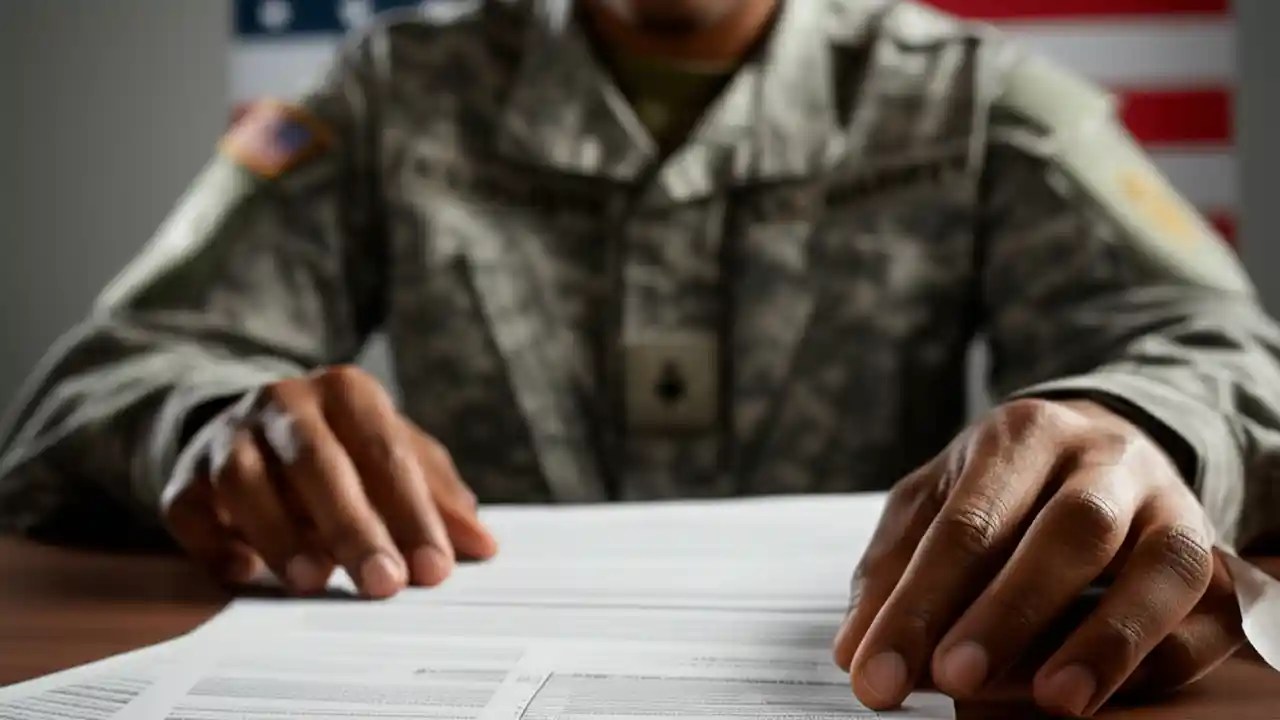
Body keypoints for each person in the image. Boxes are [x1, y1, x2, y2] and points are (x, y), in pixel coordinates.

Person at [2, 0, 1278, 715]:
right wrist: (214, 424)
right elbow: (96, 380)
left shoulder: (972, 96)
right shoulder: (394, 89)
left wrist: (1132, 426)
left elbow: (1225, 352)